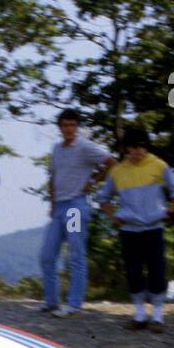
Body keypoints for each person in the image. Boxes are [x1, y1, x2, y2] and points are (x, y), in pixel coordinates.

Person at [96, 127, 174, 333]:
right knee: (133, 271)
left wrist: (170, 209)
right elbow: (103, 197)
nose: (138, 151)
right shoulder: (118, 171)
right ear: (127, 148)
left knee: (157, 270)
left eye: (142, 146)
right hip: (129, 229)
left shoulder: (159, 165)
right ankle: (138, 315)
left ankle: (157, 316)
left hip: (153, 227)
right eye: (134, 147)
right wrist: (112, 216)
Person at [39, 109, 114, 317]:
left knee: (75, 255)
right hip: (59, 207)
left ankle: (74, 303)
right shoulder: (56, 149)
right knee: (47, 255)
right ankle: (51, 301)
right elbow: (53, 176)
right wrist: (52, 201)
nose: (69, 129)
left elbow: (111, 163)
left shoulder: (85, 147)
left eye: (72, 125)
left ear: (77, 127)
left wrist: (92, 181)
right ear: (60, 128)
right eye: (65, 125)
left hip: (75, 207)